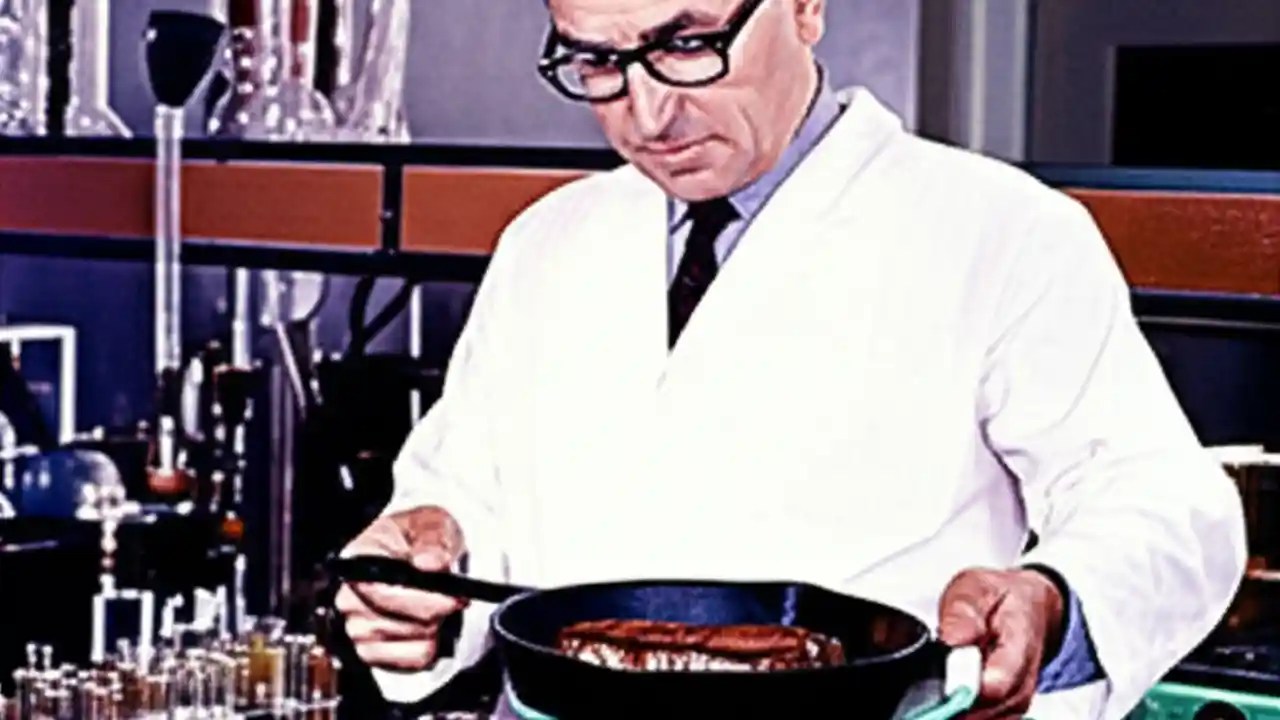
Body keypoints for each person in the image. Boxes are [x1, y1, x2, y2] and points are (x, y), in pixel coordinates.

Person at [335, 0, 1247, 717]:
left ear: (806, 6)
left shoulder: (1003, 232)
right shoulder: (548, 241)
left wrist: (1051, 600)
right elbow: (464, 503)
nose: (648, 114)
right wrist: (416, 576)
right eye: (597, 62)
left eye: (688, 42)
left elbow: (1162, 505)